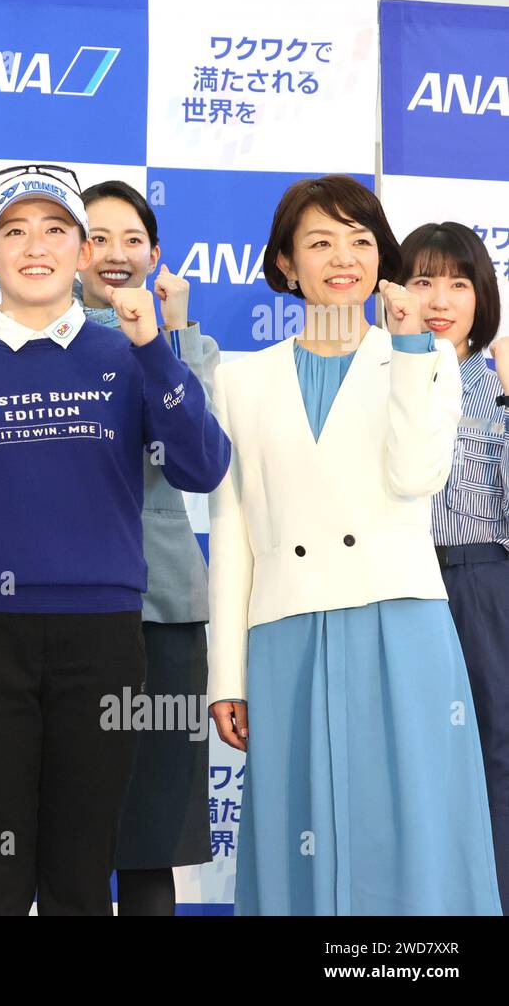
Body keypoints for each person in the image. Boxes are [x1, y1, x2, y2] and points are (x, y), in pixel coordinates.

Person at [0, 163, 230, 915]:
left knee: (81, 879)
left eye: (54, 230)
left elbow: (202, 467)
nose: (34, 246)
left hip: (101, 640)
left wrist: (154, 350)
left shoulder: (132, 357)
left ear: (81, 254)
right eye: (14, 231)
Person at [208, 175, 502, 915]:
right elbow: (235, 529)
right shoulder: (239, 379)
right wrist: (227, 676)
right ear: (285, 265)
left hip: (400, 620)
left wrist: (408, 349)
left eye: (362, 241)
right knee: (298, 823)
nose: (344, 257)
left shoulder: (426, 358)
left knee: (412, 826)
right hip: (288, 627)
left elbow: (416, 476)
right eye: (321, 241)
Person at [75, 180, 217, 915]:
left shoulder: (189, 346)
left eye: (132, 240)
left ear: (156, 255)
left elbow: (197, 456)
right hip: (58, 611)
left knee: (150, 840)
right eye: (96, 238)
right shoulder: (35, 347)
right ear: (70, 251)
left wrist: (170, 334)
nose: (115, 254)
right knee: (61, 835)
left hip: (162, 607)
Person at [400, 221, 509, 911]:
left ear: (481, 295)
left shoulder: (495, 382)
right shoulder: (378, 374)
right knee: (408, 753)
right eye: (422, 279)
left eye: (458, 282)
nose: (440, 298)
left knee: (496, 749)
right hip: (400, 582)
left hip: (484, 580)